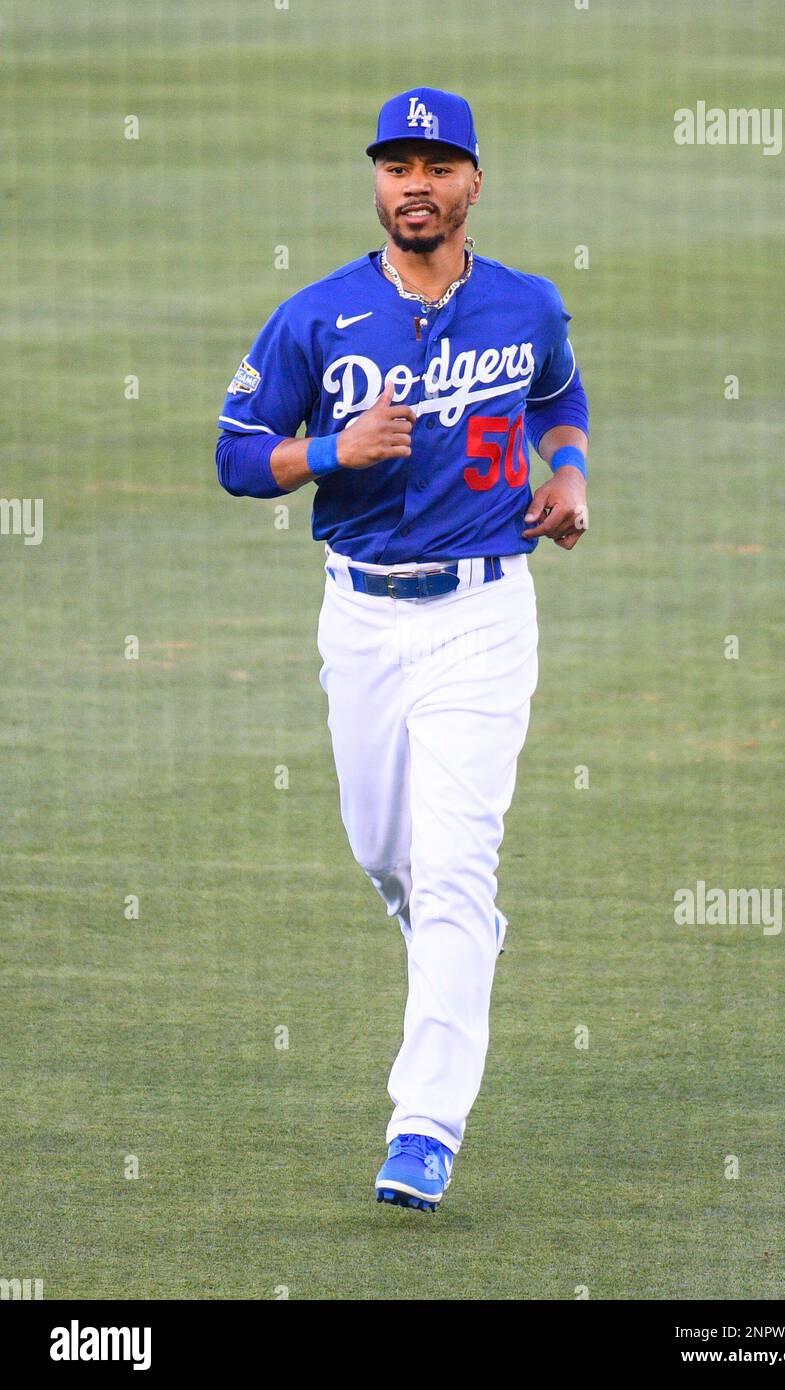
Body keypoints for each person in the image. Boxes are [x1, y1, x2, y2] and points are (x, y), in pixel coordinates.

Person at [216, 86, 589, 1211]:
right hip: (363, 619)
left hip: (482, 616)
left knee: (456, 867)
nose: (413, 185)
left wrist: (565, 473)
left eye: (435, 165)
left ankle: (423, 1125)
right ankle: (458, 928)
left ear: (473, 181)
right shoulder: (317, 316)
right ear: (376, 182)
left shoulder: (525, 305)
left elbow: (558, 397)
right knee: (389, 855)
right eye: (395, 165)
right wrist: (328, 447)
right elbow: (236, 455)